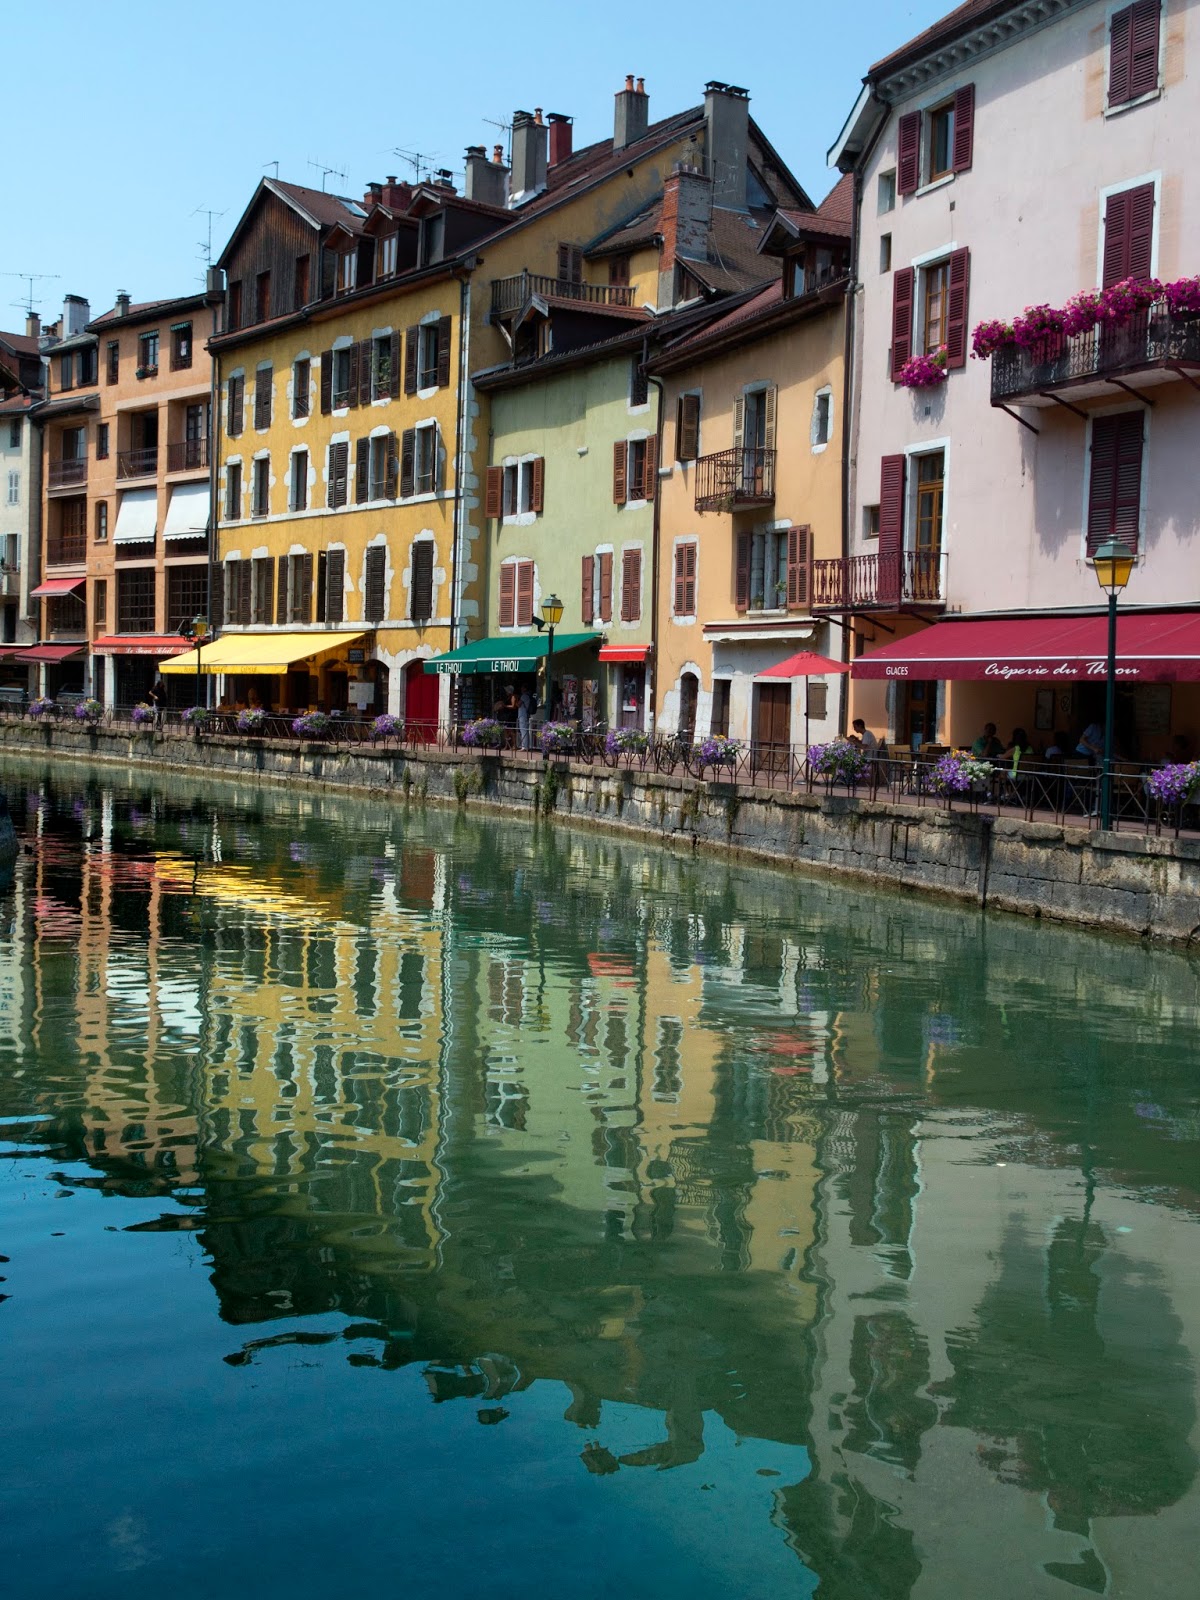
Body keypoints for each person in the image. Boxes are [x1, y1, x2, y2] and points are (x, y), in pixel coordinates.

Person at [517, 687, 536, 752]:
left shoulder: (524, 696)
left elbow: (518, 704)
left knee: (523, 731)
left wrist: (517, 700)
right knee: (525, 730)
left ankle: (524, 746)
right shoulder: (528, 696)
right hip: (526, 715)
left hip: (523, 715)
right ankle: (526, 746)